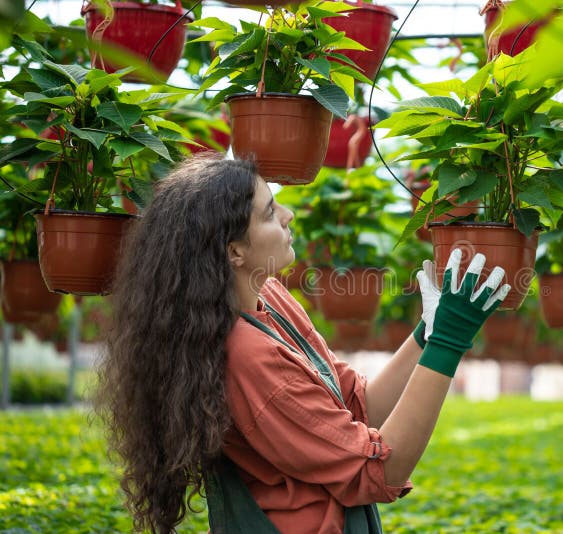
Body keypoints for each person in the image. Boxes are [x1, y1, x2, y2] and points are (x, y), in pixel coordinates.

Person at [96, 154, 510, 534]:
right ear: (235, 251)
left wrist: (427, 333)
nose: (289, 215)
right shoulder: (247, 356)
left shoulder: (268, 297)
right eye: (270, 213)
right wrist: (449, 341)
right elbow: (379, 469)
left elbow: (353, 404)